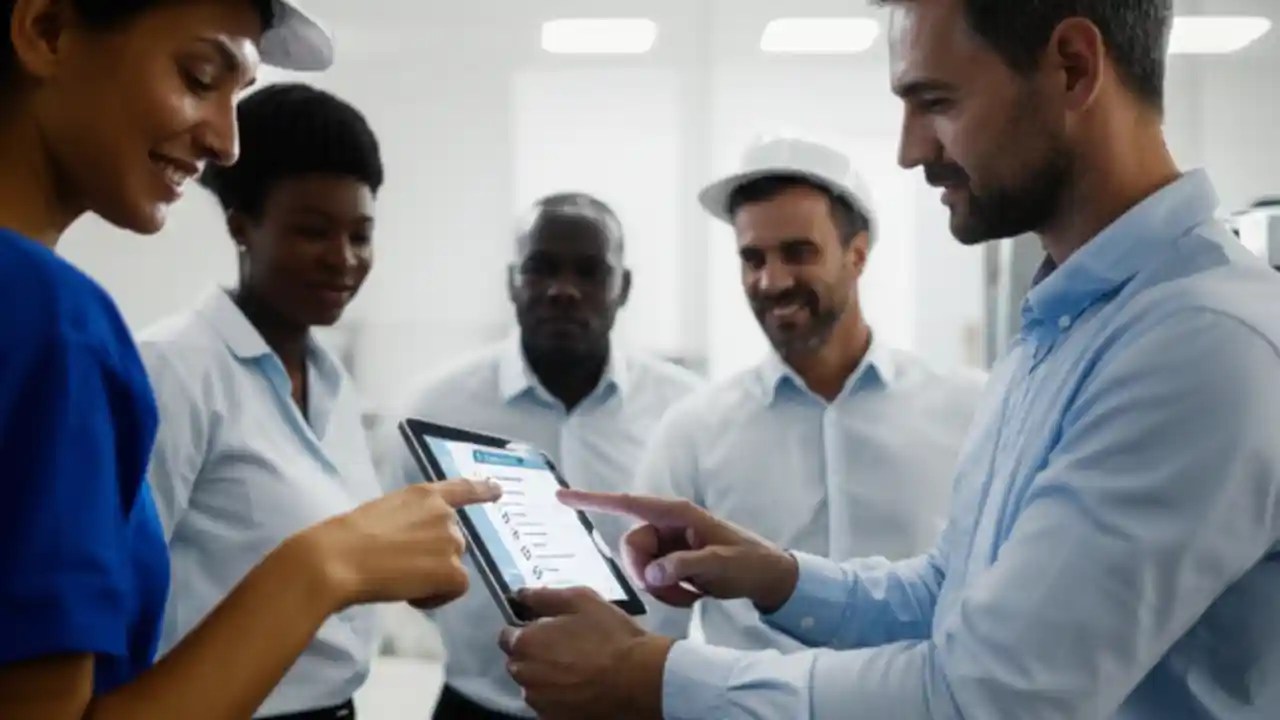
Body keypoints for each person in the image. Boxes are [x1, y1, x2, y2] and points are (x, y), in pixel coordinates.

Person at [497, 1, 1280, 718]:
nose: (910, 152)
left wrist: (652, 677)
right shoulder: (1064, 326)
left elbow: (985, 695)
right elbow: (951, 592)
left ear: (1072, 67)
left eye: (935, 102)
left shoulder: (1198, 343)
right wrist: (774, 574)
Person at [0, 2, 499, 718]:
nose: (228, 143)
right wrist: (327, 566)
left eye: (361, 234)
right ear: (46, 32)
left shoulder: (328, 380)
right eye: (200, 75)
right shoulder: (59, 323)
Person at [632, 135, 983, 651]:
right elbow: (650, 633)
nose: (772, 281)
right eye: (753, 258)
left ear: (857, 255)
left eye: (798, 253)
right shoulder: (693, 431)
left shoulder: (968, 409)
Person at [381, 192, 701, 719]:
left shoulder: (684, 413)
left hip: (636, 706)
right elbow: (411, 569)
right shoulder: (435, 410)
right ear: (512, 281)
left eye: (590, 272)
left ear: (624, 287)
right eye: (541, 268)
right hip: (479, 707)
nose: (563, 290)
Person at [140, 82, 391, 719]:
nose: (344, 260)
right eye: (313, 232)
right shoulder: (174, 369)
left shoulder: (330, 382)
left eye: (360, 236)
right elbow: (120, 599)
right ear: (240, 225)